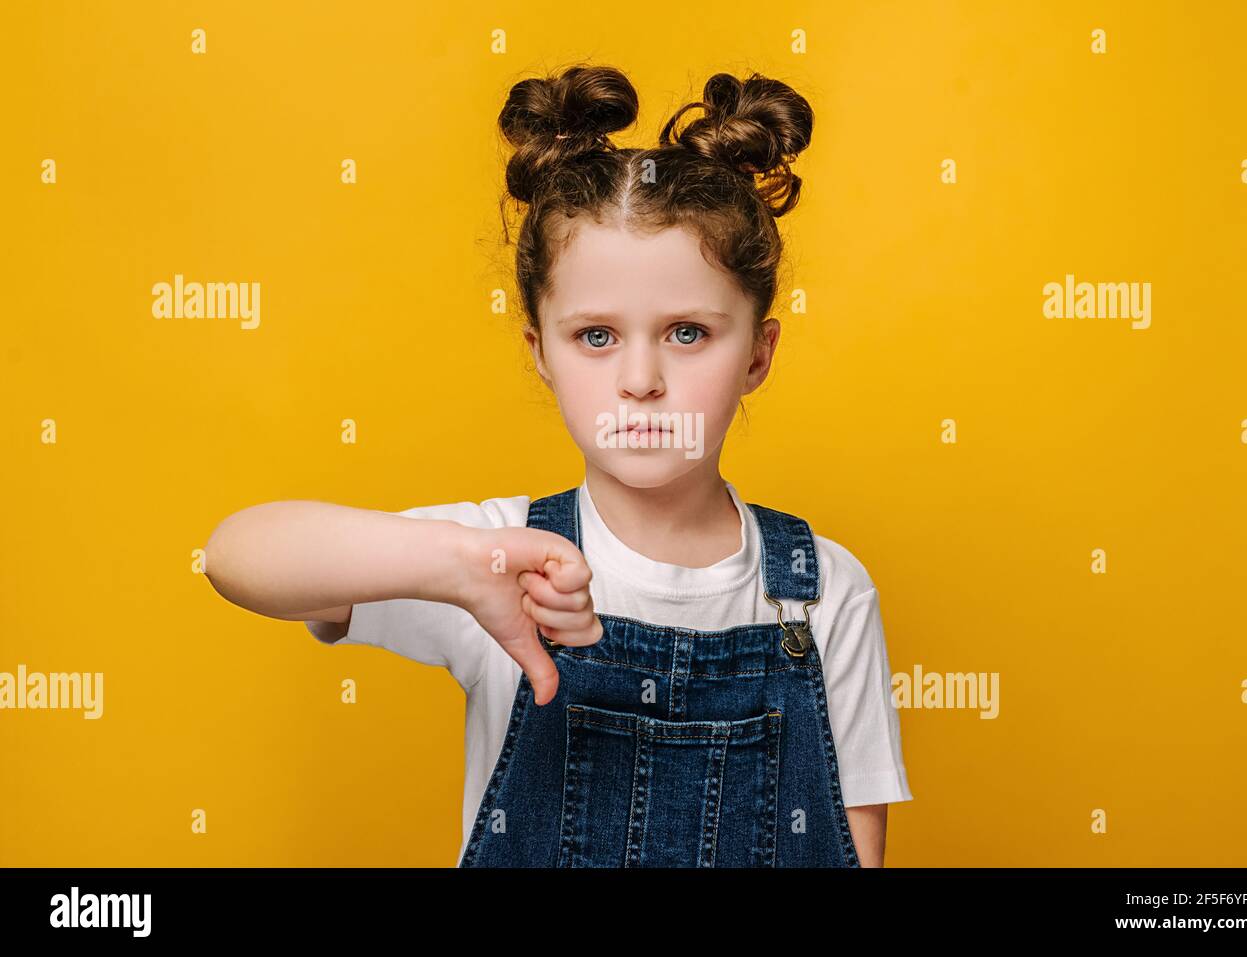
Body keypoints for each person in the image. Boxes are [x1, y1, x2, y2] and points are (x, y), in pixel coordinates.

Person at [203, 63, 912, 868]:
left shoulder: (824, 593)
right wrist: (464, 566)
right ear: (540, 350)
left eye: (687, 332)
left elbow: (855, 849)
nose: (641, 381)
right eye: (596, 335)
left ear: (759, 352)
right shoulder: (495, 554)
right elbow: (238, 554)